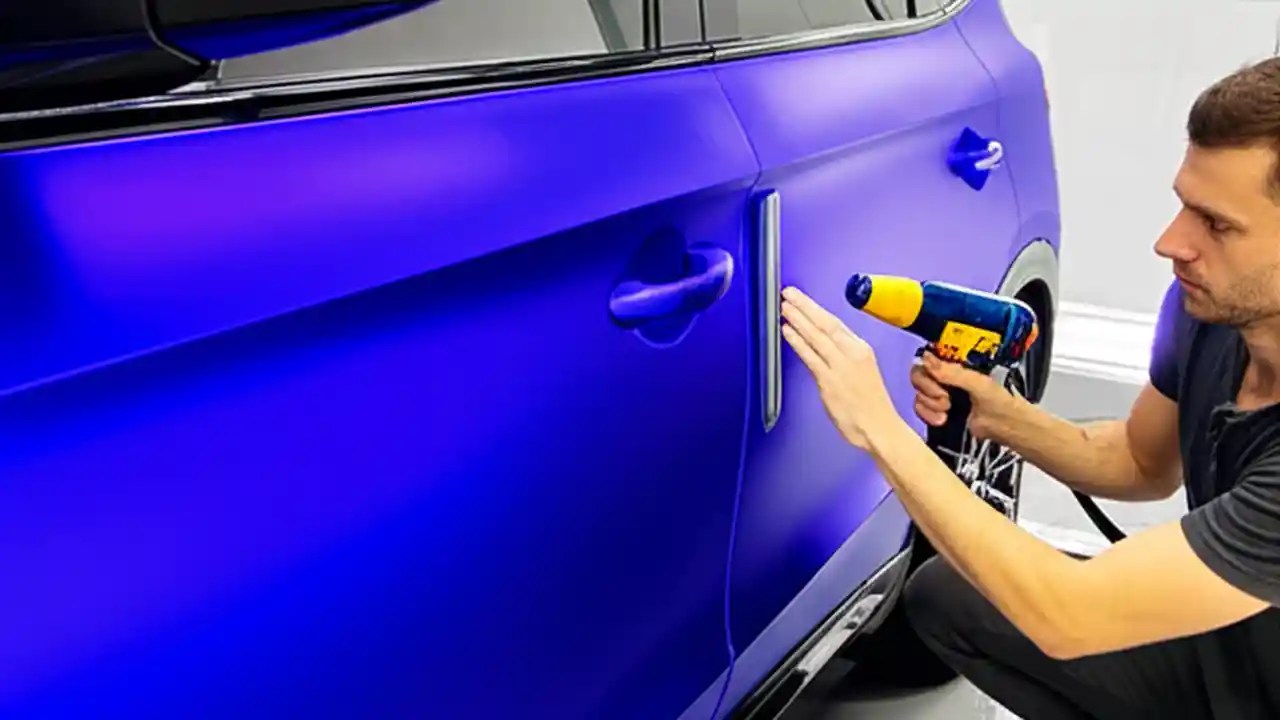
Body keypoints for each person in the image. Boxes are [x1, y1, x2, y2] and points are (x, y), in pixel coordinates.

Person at [779, 56, 1280, 720]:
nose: (1170, 242)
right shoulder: (1207, 312)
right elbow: (1140, 461)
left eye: (1216, 224)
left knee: (1055, 609)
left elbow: (1068, 617)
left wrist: (878, 428)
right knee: (950, 597)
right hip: (1234, 645)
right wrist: (1003, 417)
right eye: (1184, 204)